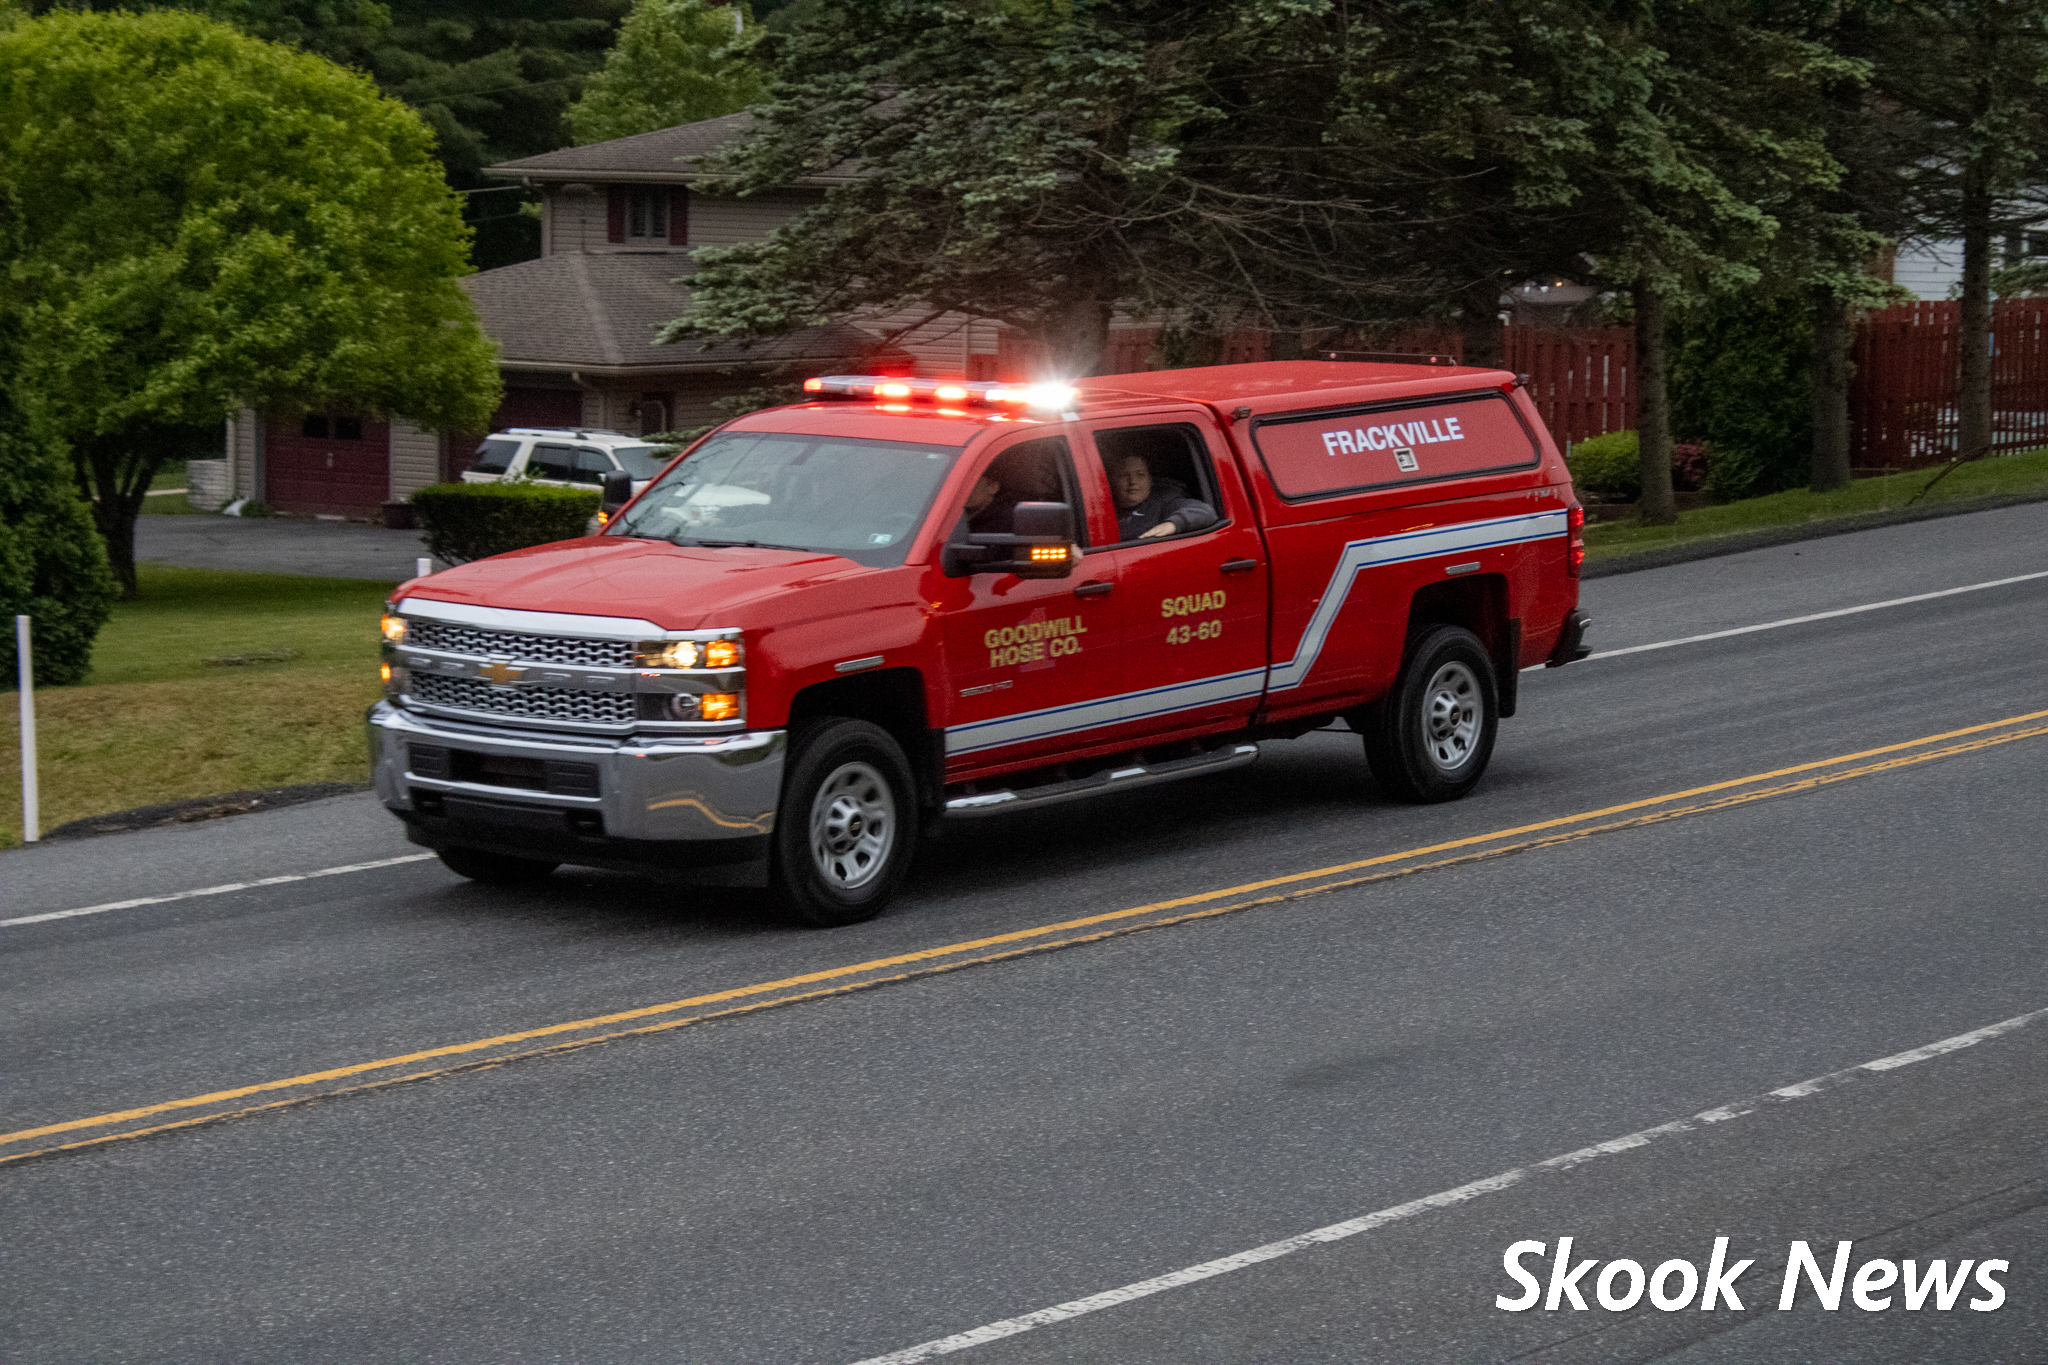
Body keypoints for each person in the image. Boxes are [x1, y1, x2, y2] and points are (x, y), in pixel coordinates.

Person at [1109, 452, 1217, 541]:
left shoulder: (1165, 501)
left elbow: (1205, 511)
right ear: (1110, 481)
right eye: (1123, 475)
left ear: (1150, 480)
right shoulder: (1101, 509)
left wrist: (1172, 524)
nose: (1133, 481)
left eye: (1140, 474)